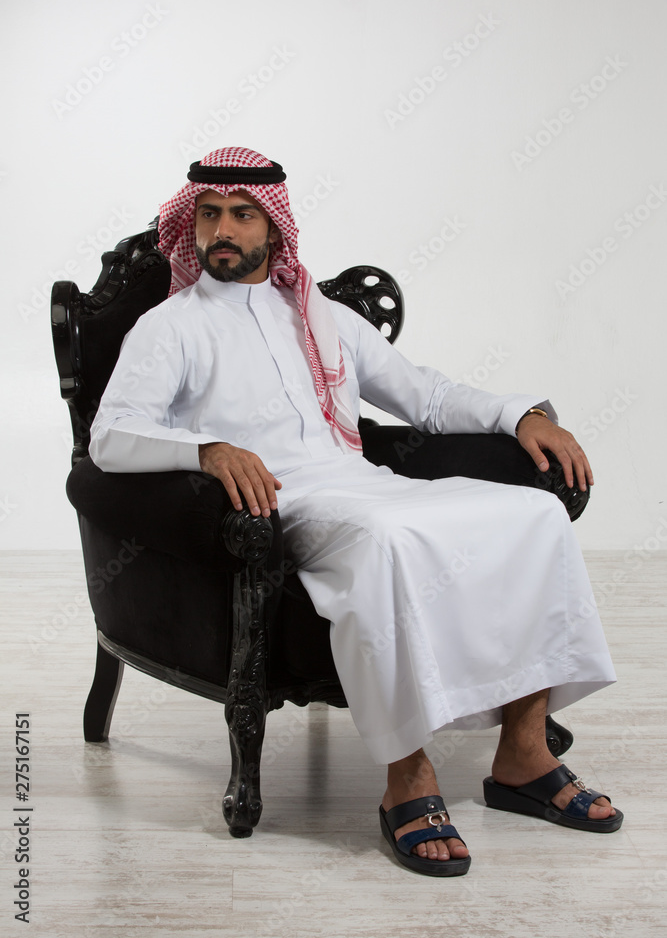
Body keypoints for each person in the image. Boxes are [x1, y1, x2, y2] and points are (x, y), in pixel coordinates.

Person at [90, 147, 622, 877]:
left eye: (242, 216)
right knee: (386, 541)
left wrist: (519, 414)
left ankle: (523, 757)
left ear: (273, 231)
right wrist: (206, 449)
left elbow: (423, 396)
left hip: (360, 479)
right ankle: (407, 776)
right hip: (280, 503)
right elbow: (111, 436)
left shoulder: (320, 314)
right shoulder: (170, 326)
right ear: (191, 224)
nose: (223, 230)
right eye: (209, 214)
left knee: (532, 517)